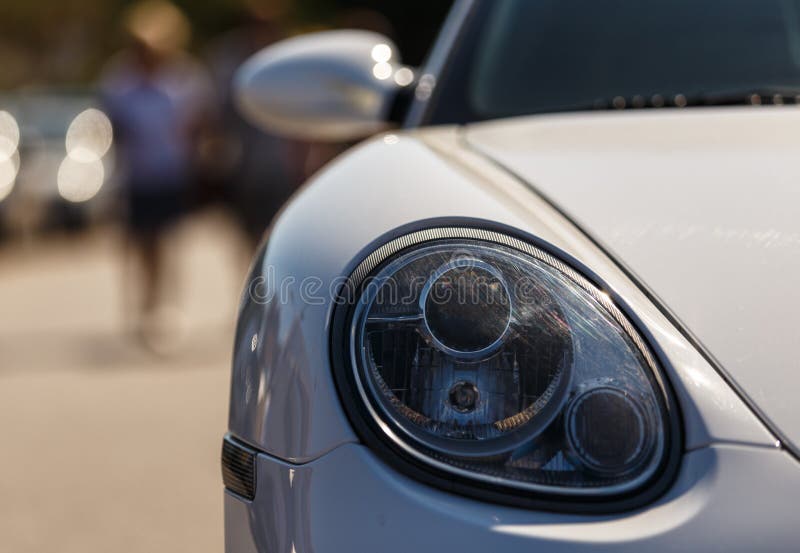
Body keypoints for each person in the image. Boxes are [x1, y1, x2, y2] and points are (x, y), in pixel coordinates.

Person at [100, 0, 214, 347]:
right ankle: (146, 305)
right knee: (140, 243)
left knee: (167, 241)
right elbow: (111, 129)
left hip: (172, 173)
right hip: (136, 175)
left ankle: (165, 308)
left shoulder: (185, 78)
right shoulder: (118, 80)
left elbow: (198, 126)